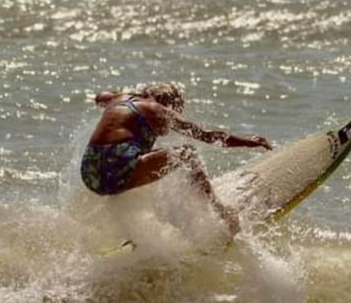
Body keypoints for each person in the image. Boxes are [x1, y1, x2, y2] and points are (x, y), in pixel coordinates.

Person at [80, 83, 273, 235]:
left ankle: (135, 236)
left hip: (90, 174)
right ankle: (219, 211)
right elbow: (207, 135)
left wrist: (117, 95)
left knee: (152, 160)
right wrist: (249, 142)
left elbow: (99, 97)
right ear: (168, 104)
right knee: (186, 154)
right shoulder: (157, 110)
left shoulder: (118, 98)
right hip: (119, 170)